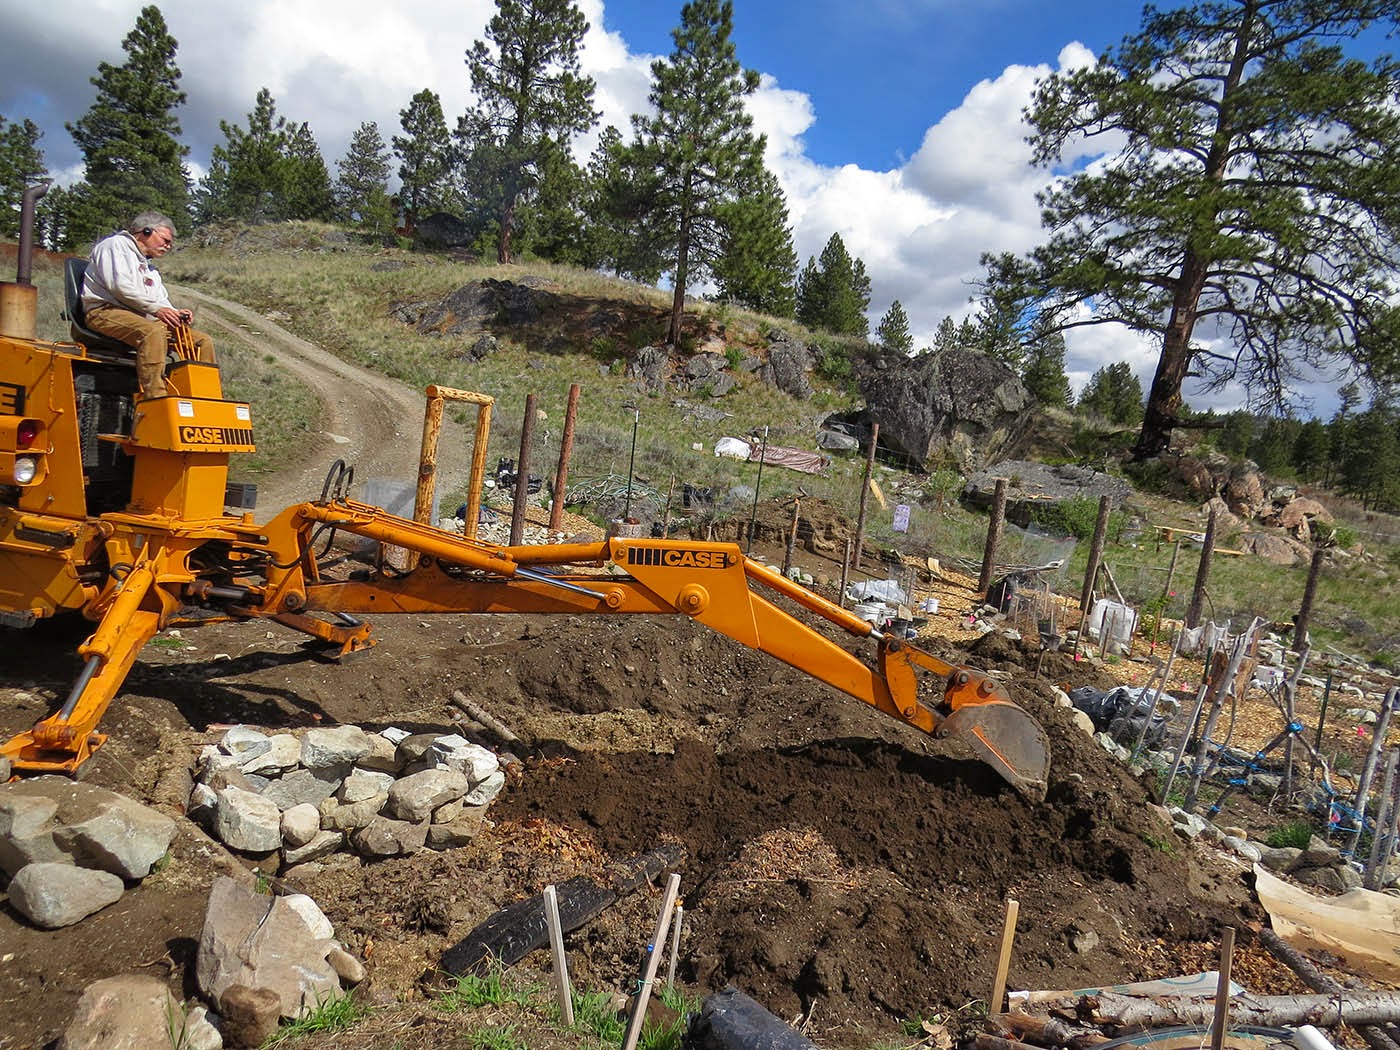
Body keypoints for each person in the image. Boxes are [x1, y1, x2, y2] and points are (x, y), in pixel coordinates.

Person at [82, 211, 215, 399]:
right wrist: (157, 310)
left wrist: (175, 313)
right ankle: (155, 397)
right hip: (105, 311)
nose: (168, 246)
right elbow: (119, 287)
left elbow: (160, 299)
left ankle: (205, 396)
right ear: (145, 232)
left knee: (202, 342)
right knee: (152, 333)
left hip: (140, 317)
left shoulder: (150, 268)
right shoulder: (116, 245)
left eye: (170, 243)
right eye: (165, 240)